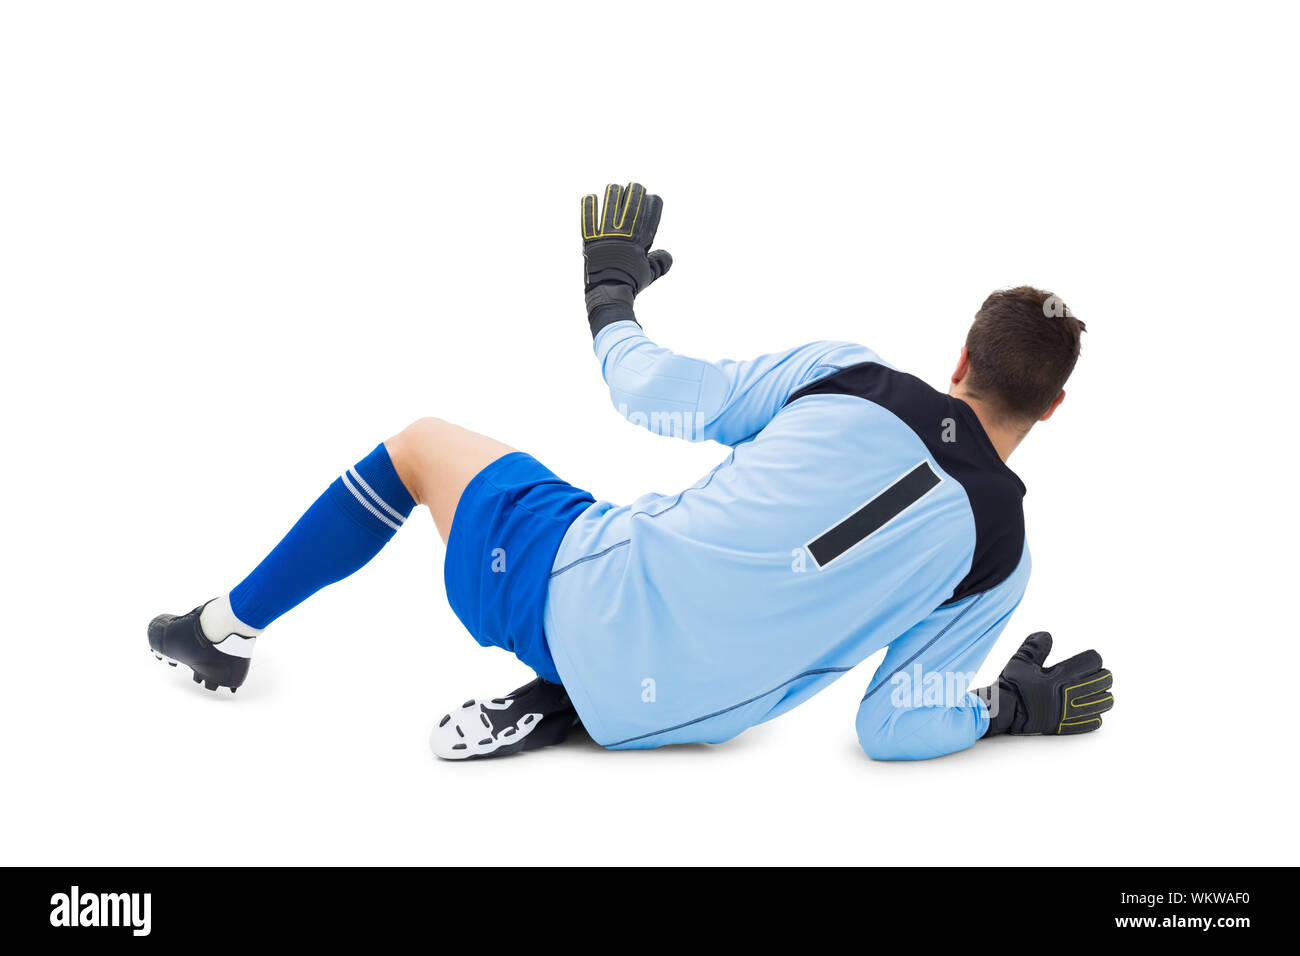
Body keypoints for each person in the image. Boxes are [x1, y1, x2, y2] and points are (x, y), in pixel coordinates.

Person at [148, 183, 1114, 761]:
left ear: (959, 360)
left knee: (421, 443)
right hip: (692, 719)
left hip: (579, 590)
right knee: (689, 616)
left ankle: (221, 630)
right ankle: (578, 705)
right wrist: (1009, 708)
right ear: (1054, 410)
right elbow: (894, 728)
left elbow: (649, 394)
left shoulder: (846, 377)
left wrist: (610, 294)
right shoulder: (1004, 555)